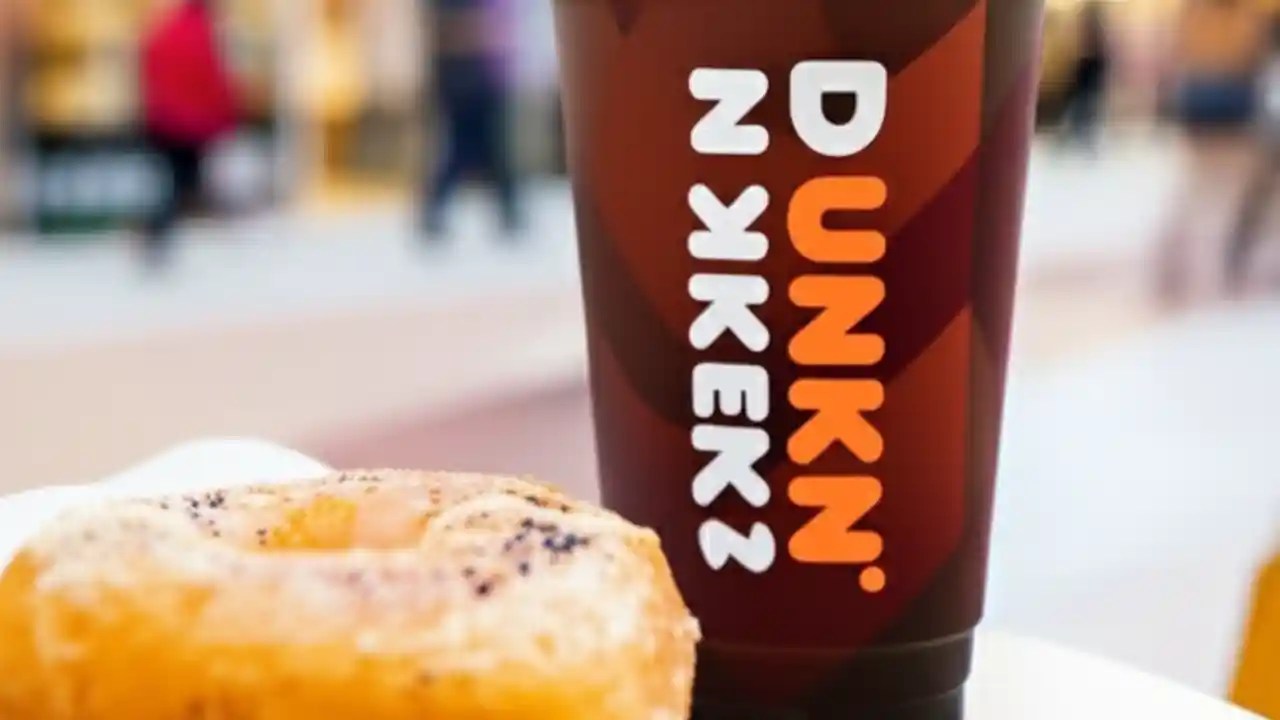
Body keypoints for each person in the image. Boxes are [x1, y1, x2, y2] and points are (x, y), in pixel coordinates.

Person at [1157, 0, 1269, 304]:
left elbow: (1177, 51)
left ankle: (1174, 259)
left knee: (1193, 185)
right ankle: (1218, 264)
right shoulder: (1249, 17)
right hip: (1230, 98)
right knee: (1229, 187)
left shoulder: (1194, 13)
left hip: (1196, 95)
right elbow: (1251, 56)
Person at [140, 0, 239, 269]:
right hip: (189, 124)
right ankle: (158, 231)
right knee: (181, 183)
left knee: (176, 182)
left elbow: (149, 65)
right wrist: (226, 116)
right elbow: (214, 79)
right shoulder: (203, 34)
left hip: (164, 121)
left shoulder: (166, 28)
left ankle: (158, 231)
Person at [424, 0, 520, 238]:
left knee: (488, 146)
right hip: (463, 78)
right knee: (467, 147)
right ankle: (509, 209)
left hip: (484, 75)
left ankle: (509, 208)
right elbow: (446, 30)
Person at [1060, 1, 1112, 150]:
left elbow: (1096, 76)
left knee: (1084, 118)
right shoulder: (1091, 55)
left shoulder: (1095, 55)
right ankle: (1081, 144)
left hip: (1088, 92)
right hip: (1086, 91)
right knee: (1081, 118)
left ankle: (1085, 144)